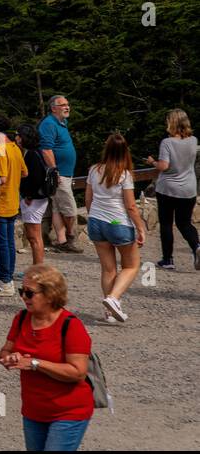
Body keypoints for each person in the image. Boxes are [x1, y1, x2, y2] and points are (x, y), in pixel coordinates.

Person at [0, 264, 94, 451]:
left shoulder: (71, 326)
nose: (24, 297)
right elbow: (4, 351)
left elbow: (78, 372)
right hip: (34, 411)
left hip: (69, 411)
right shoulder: (21, 318)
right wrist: (10, 358)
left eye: (30, 293)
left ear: (50, 295)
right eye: (22, 291)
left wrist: (35, 363)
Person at [85, 133, 145, 323]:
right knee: (131, 265)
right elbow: (131, 206)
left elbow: (88, 199)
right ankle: (113, 298)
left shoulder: (94, 170)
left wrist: (94, 215)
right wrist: (141, 228)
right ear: (125, 151)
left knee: (108, 269)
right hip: (117, 223)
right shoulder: (125, 175)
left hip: (96, 221)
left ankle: (109, 313)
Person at [146, 108, 199, 271]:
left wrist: (152, 162)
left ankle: (168, 259)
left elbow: (164, 166)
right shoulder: (193, 140)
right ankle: (197, 246)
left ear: (171, 123)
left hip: (168, 188)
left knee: (167, 223)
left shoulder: (167, 143)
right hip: (189, 188)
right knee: (185, 223)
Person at [0, 114, 26, 297]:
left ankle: (6, 282)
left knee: (1, 243)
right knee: (8, 242)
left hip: (0, 203)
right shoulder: (14, 147)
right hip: (13, 201)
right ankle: (6, 276)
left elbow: (1, 178)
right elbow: (24, 172)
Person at [40, 95, 82, 252]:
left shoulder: (62, 122)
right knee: (70, 208)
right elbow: (46, 149)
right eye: (63, 105)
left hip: (65, 173)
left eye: (67, 104)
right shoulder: (49, 124)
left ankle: (62, 241)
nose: (67, 107)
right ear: (53, 108)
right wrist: (54, 170)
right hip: (59, 174)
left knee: (58, 208)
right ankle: (70, 238)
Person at [16, 123, 49, 265]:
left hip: (33, 200)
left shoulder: (31, 155)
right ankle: (38, 266)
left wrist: (29, 195)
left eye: (18, 135)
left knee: (34, 237)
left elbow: (35, 178)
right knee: (35, 236)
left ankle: (38, 267)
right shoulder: (38, 152)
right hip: (39, 198)